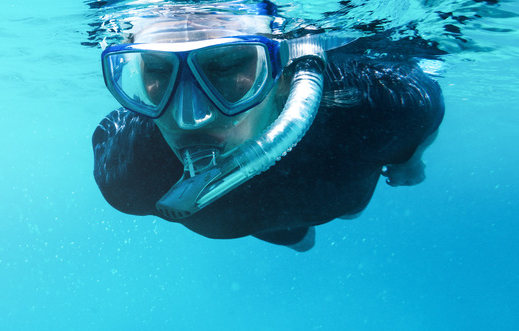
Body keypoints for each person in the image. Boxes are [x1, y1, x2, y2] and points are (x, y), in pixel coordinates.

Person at [91, 2, 444, 251]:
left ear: (284, 74)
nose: (189, 117)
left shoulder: (375, 107)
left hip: (339, 195)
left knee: (350, 213)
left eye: (227, 66)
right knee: (299, 242)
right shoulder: (128, 172)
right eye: (157, 69)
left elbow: (425, 107)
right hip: (267, 224)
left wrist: (413, 159)